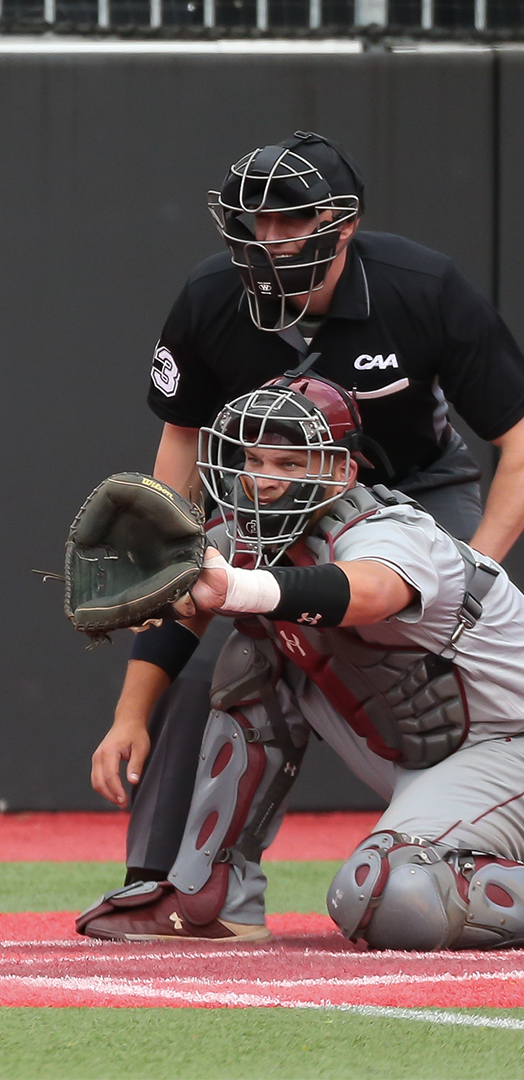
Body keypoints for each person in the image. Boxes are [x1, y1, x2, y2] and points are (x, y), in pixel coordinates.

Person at [100, 131, 524, 891]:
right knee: (219, 663)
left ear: (344, 222)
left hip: (418, 499)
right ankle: (171, 883)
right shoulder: (208, 298)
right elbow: (182, 438)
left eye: (290, 220)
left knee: (427, 659)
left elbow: (518, 440)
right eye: (254, 222)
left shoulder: (420, 287)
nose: (268, 240)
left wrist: (477, 572)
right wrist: (163, 555)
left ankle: (470, 828)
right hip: (284, 507)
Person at [78, 376, 524, 949]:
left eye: (288, 464)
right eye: (255, 460)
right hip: (429, 746)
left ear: (342, 472)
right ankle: (212, 898)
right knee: (254, 652)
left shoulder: (392, 532)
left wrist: (238, 587)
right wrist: (129, 716)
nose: (263, 481)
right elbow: (188, 609)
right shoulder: (244, 534)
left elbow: (371, 591)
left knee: (395, 895)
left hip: (504, 743)